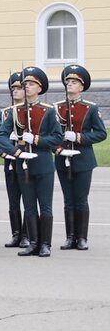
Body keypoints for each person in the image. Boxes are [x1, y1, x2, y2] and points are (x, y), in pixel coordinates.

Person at [0, 67, 62, 257]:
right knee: (29, 205)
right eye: (25, 84)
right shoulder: (15, 112)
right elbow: (1, 135)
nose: (26, 87)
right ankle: (33, 242)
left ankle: (45, 244)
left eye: (31, 84)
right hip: (22, 163)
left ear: (40, 88)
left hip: (42, 162)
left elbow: (57, 137)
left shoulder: (49, 112)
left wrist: (36, 140)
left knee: (45, 205)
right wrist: (15, 151)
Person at [56, 64, 106, 250]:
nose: (70, 84)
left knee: (81, 198)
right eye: (68, 81)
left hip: (83, 159)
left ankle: (82, 238)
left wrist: (79, 137)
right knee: (68, 199)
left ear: (81, 87)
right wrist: (59, 147)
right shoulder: (56, 108)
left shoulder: (90, 108)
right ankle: (70, 237)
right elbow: (51, 133)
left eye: (74, 82)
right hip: (63, 158)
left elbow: (101, 133)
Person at [0, 73, 27, 249]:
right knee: (13, 199)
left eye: (19, 88)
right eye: (13, 88)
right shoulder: (6, 112)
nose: (15, 91)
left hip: (26, 159)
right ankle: (16, 234)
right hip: (11, 160)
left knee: (28, 199)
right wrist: (3, 153)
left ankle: (27, 234)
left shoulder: (32, 111)